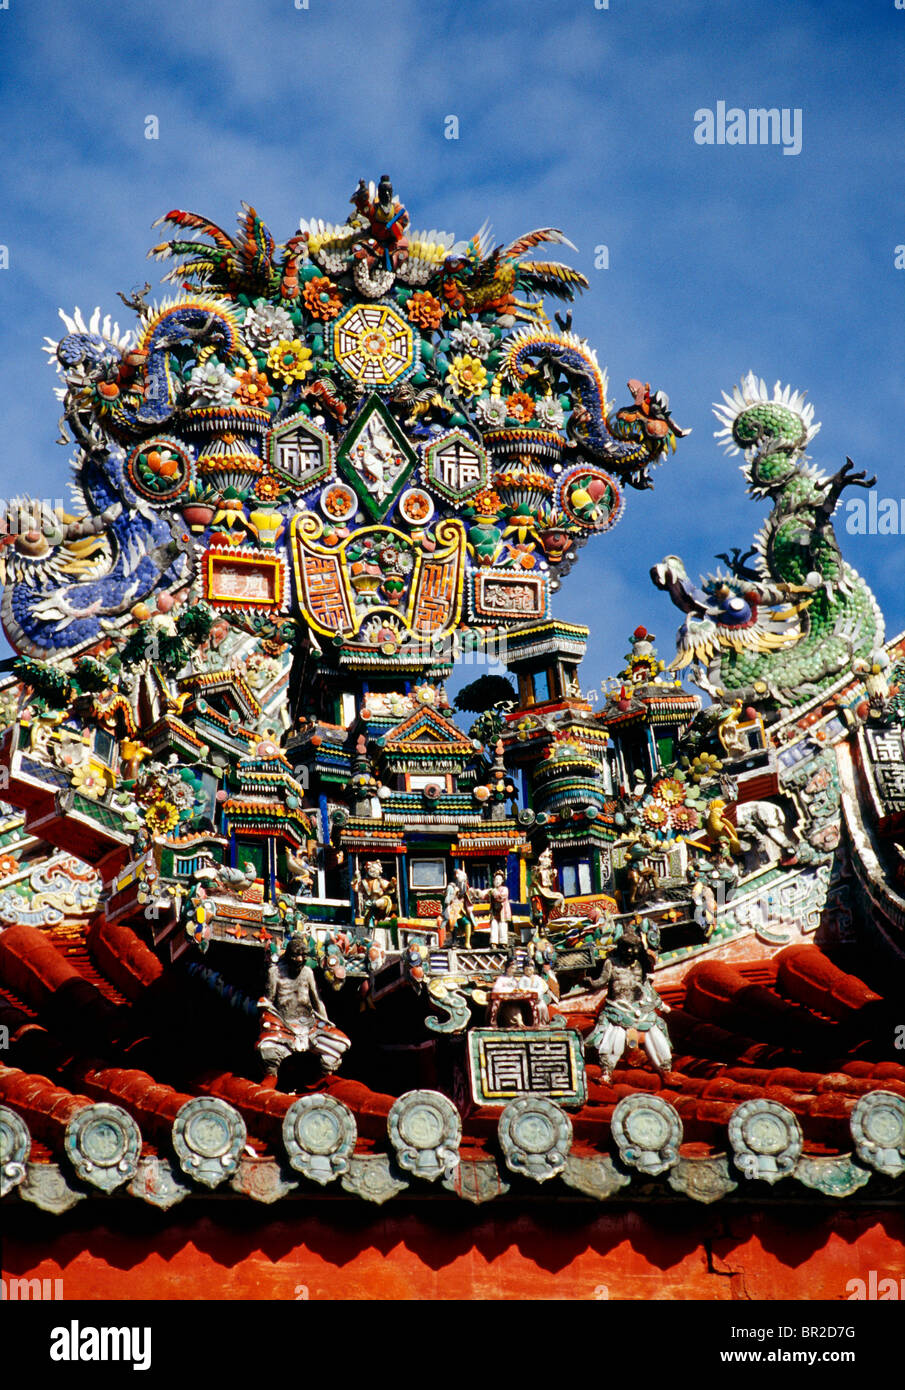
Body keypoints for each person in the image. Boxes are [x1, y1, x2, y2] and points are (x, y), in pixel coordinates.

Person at [257, 935, 349, 1084]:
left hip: (309, 1024)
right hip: (284, 1024)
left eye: (303, 955)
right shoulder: (274, 972)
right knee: (266, 1049)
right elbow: (269, 1001)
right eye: (296, 955)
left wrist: (328, 1024)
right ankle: (270, 1078)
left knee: (339, 1045)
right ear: (288, 955)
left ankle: (323, 1081)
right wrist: (265, 1024)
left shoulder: (307, 972)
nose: (300, 959)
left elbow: (317, 1001)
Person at [587, 926, 671, 1082]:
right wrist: (589, 982)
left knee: (656, 1033)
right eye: (628, 949)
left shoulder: (640, 965)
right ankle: (606, 1073)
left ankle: (665, 1071)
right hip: (617, 1007)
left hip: (639, 1007)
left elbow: (647, 987)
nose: (631, 953)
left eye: (634, 949)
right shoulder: (611, 963)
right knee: (614, 1036)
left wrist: (659, 1004)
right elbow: (602, 981)